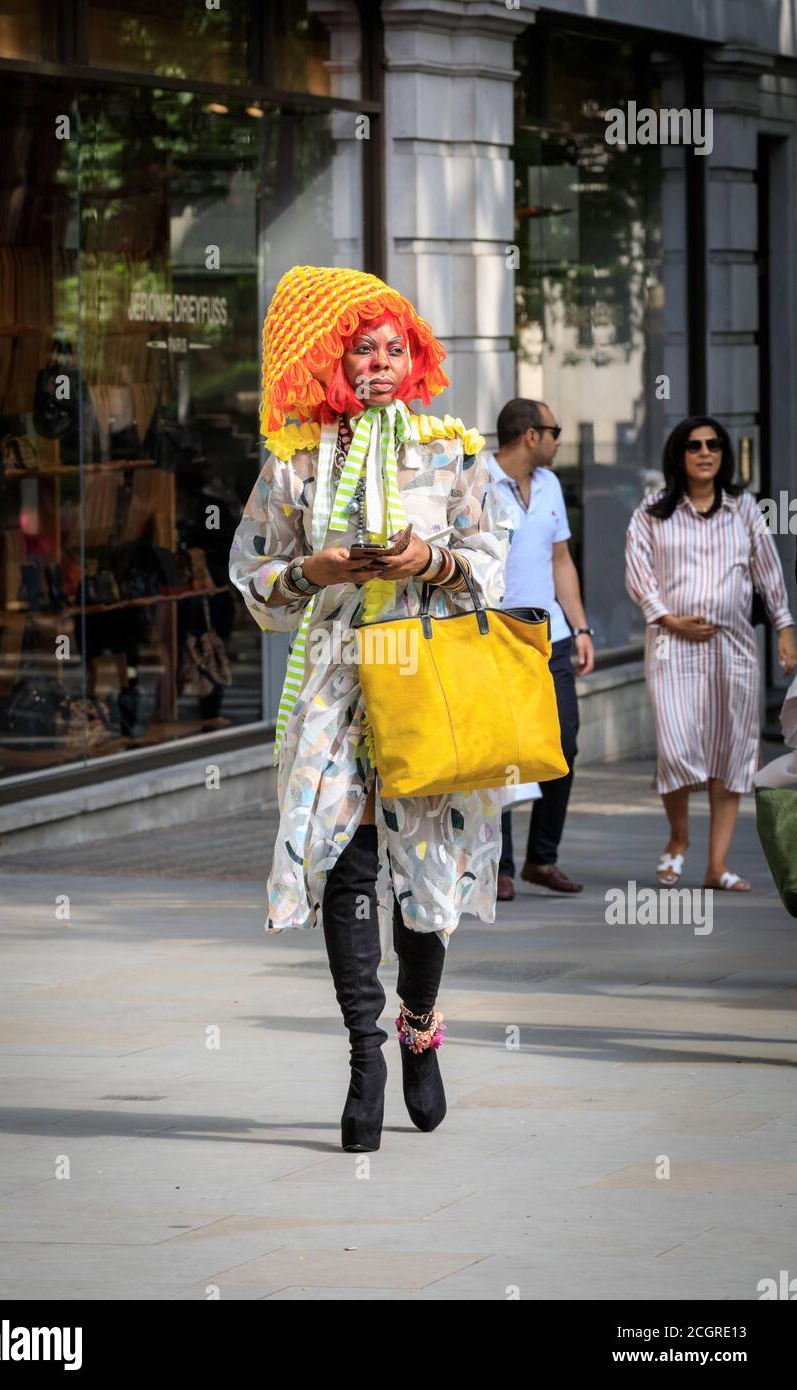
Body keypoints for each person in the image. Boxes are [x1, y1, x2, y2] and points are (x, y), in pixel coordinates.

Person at [228, 265, 512, 1153]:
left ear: (413, 358)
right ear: (334, 360)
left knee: (426, 881)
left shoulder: (452, 447)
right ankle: (364, 1058)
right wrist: (314, 571)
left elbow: (492, 560)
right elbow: (254, 578)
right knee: (345, 867)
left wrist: (429, 560)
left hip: (424, 678)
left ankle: (418, 1023)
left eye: (396, 348)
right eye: (365, 349)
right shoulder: (295, 457)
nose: (382, 362)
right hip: (336, 682)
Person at [625, 415, 797, 891]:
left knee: (731, 752)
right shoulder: (653, 511)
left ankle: (717, 865)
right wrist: (667, 617)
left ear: (724, 454)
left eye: (715, 445)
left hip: (734, 646)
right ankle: (678, 839)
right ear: (679, 455)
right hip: (671, 645)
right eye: (695, 445)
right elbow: (638, 571)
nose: (706, 452)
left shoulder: (743, 509)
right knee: (677, 747)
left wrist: (785, 628)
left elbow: (769, 572)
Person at [484, 398, 595, 901]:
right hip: (497, 640)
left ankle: (541, 859)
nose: (558, 439)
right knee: (503, 753)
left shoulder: (549, 485)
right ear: (531, 434)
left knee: (563, 745)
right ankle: (499, 865)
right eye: (554, 430)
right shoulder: (475, 480)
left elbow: (561, 561)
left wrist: (582, 626)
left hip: (552, 639)